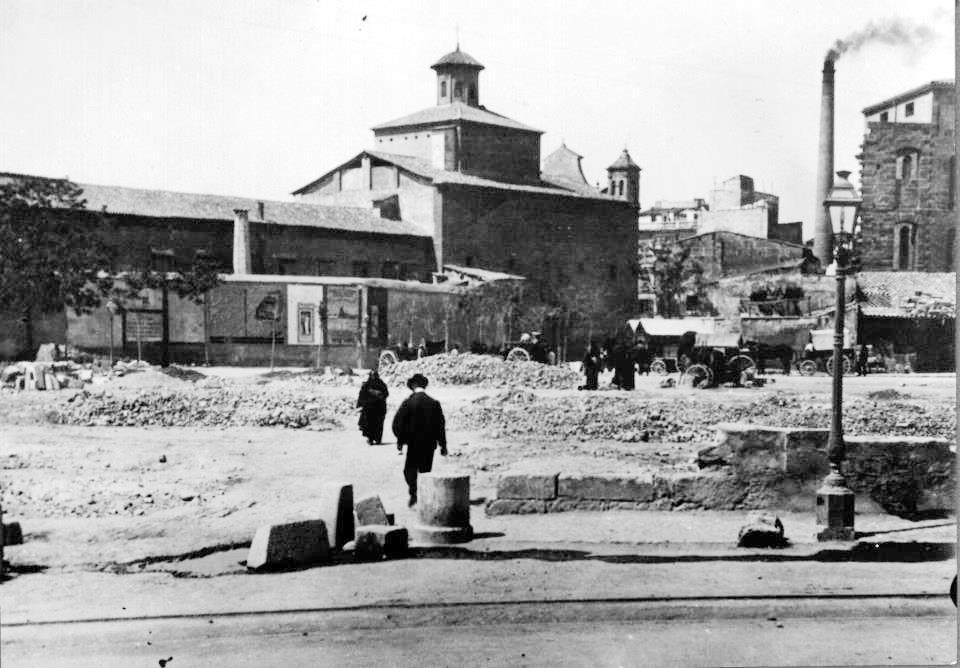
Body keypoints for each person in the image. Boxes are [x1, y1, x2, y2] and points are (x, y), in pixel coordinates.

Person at [392, 373, 447, 507]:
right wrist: (443, 445)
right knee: (425, 472)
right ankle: (424, 497)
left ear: (414, 385)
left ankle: (414, 493)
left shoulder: (408, 403)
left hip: (413, 444)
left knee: (409, 470)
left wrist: (400, 441)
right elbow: (440, 425)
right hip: (429, 445)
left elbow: (398, 424)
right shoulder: (434, 403)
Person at [356, 369, 389, 445]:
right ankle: (370, 439)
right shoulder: (367, 384)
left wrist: (379, 394)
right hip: (369, 409)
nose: (373, 377)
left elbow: (386, 393)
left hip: (379, 408)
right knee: (369, 424)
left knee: (378, 424)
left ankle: (378, 439)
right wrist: (360, 404)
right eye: (372, 375)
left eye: (375, 375)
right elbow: (362, 394)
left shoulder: (381, 384)